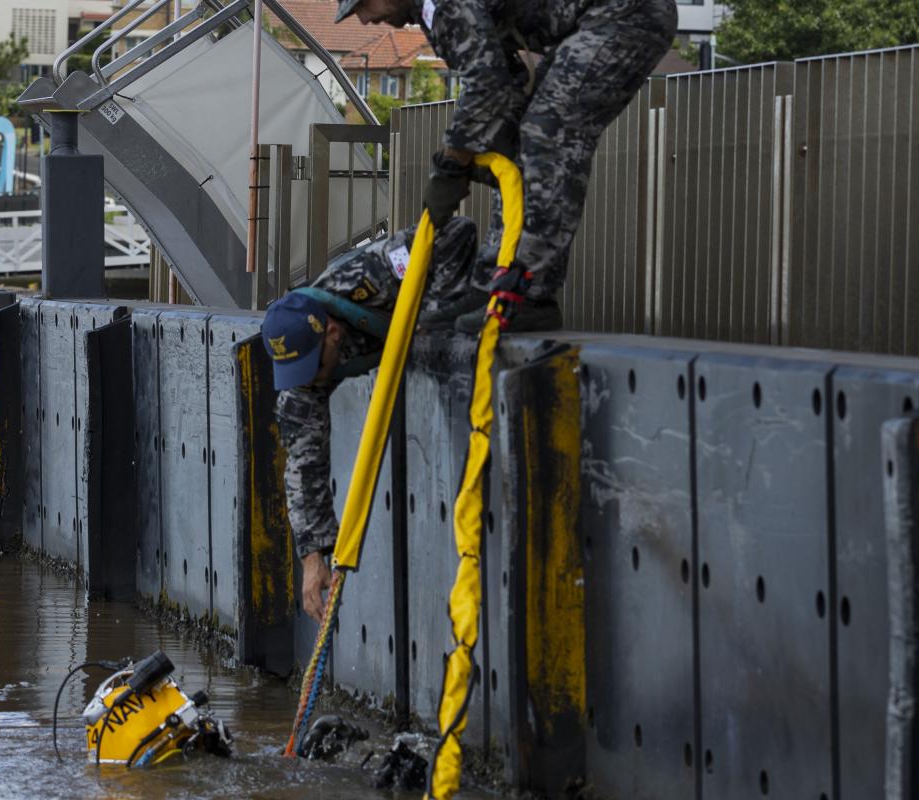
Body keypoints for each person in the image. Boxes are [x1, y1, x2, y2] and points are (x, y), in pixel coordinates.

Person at [336, 0, 678, 333]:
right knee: (523, 144)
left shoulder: (446, 6)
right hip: (595, 20)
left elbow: (484, 81)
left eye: (362, 5)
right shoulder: (431, 13)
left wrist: (451, 165)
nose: (364, 20)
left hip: (626, 13)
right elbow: (505, 75)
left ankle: (527, 294)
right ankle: (490, 286)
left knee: (548, 132)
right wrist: (495, 141)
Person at [263, 217, 485, 621]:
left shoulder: (372, 272)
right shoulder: (304, 379)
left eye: (313, 367)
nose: (309, 381)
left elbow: (458, 232)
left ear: (332, 332)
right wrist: (313, 560)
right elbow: (303, 467)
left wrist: (434, 318)